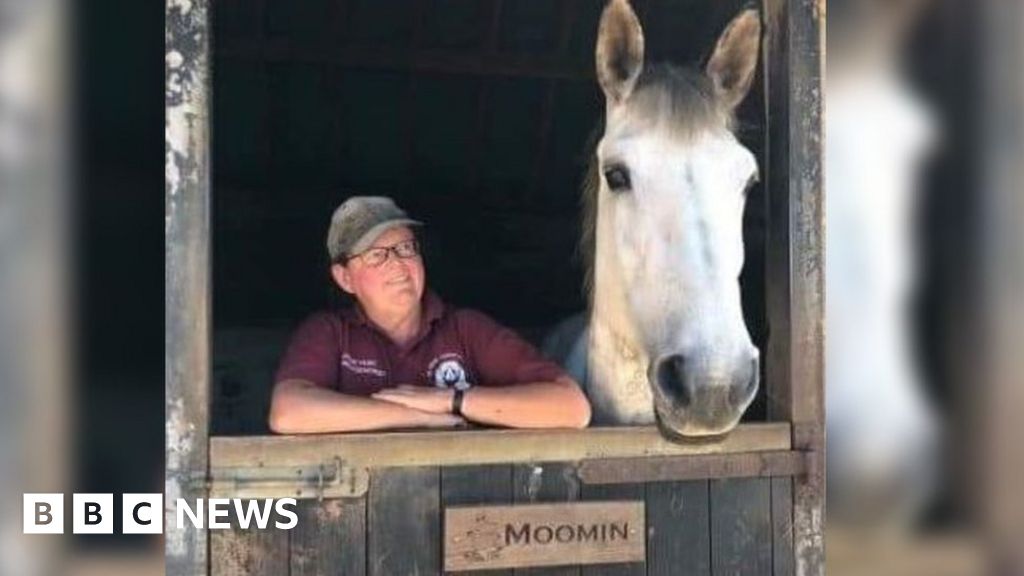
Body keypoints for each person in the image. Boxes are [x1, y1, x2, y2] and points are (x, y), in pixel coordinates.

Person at [268, 196, 592, 433]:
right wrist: (417, 416)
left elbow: (572, 408)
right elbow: (288, 412)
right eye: (377, 255)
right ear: (345, 278)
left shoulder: (466, 328)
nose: (398, 265)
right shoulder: (329, 332)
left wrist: (452, 401)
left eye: (406, 249)